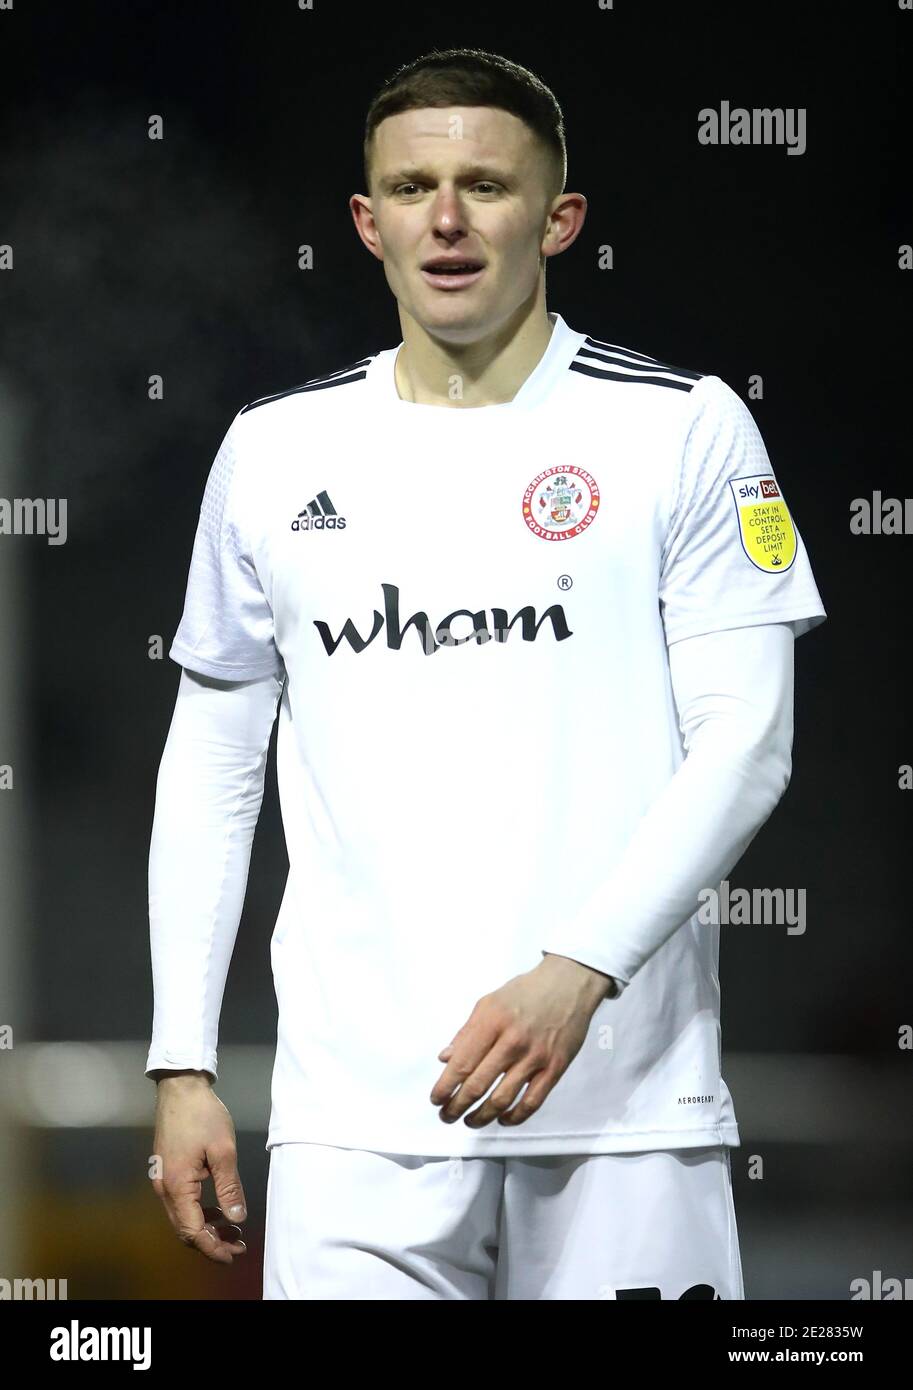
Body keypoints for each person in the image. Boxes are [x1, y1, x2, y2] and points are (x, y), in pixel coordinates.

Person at [146, 47, 827, 1300]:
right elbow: (211, 764)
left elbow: (748, 743)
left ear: (559, 218)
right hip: (354, 1125)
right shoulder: (272, 452)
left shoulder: (682, 427)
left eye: (484, 186)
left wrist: (579, 969)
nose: (445, 219)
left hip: (624, 1111)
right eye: (411, 188)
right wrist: (182, 1066)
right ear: (367, 221)